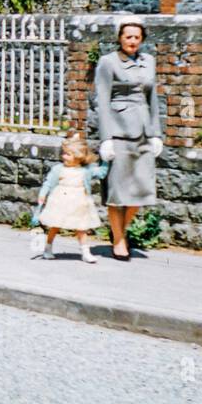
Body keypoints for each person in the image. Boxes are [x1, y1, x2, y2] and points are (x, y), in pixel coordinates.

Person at [93, 19, 162, 262]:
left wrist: (156, 133)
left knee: (142, 189)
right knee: (118, 191)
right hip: (118, 132)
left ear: (142, 38)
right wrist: (105, 139)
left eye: (136, 37)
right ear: (119, 38)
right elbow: (101, 101)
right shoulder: (108, 62)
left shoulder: (149, 61)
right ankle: (119, 240)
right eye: (128, 37)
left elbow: (152, 98)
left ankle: (120, 232)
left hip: (143, 131)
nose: (132, 41)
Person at [34, 137, 108, 264]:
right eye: (64, 153)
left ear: (78, 156)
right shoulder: (58, 169)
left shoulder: (86, 170)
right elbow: (48, 182)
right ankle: (48, 248)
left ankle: (85, 253)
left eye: (68, 154)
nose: (64, 156)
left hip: (80, 202)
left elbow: (101, 173)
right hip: (60, 200)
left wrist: (106, 160)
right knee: (55, 225)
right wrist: (43, 194)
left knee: (81, 227)